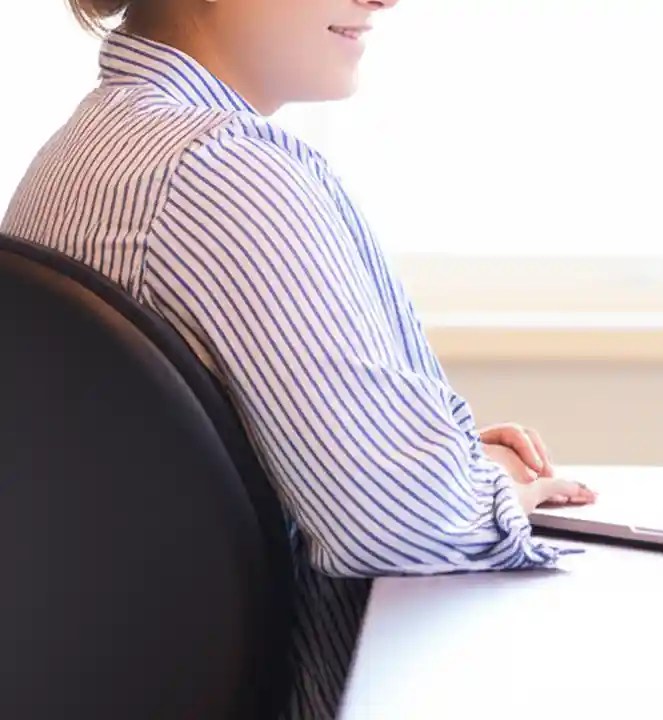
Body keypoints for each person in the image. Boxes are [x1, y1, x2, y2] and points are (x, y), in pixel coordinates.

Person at [2, 1, 598, 717]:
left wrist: (406, 453)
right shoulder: (227, 169)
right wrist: (479, 480)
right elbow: (399, 520)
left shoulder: (90, 146)